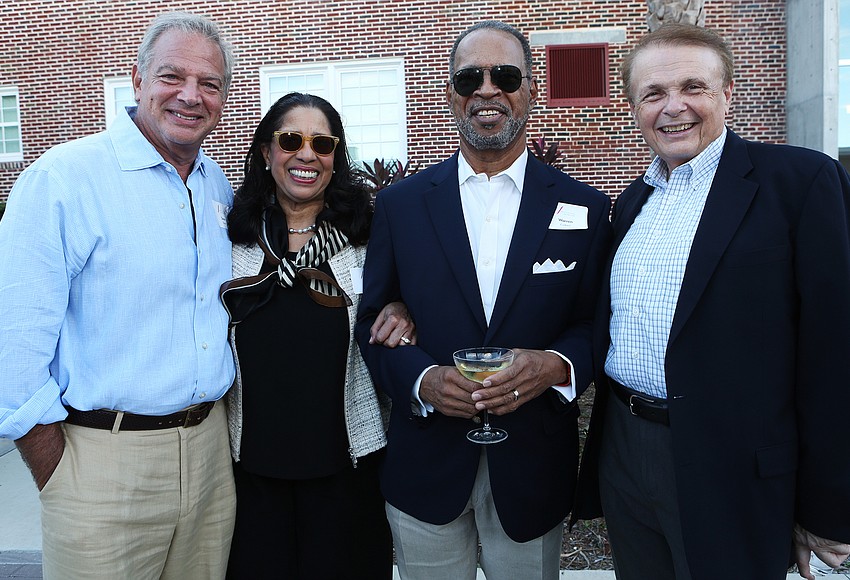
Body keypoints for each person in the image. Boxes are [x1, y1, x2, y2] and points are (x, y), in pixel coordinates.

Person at [572, 23, 850, 580]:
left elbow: (835, 353)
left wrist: (824, 508)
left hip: (735, 468)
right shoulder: (629, 204)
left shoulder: (799, 182)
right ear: (633, 107)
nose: (673, 107)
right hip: (626, 452)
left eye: (692, 87)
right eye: (653, 94)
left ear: (726, 94)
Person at [355, 20, 612, 580]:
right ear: (450, 91)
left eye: (505, 75)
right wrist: (421, 380)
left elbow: (594, 321)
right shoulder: (400, 206)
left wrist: (556, 366)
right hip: (425, 462)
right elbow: (373, 318)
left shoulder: (586, 208)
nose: (487, 89)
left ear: (530, 90)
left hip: (533, 465)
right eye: (470, 76)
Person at [0, 12, 237, 580]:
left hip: (210, 459)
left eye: (209, 83)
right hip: (98, 463)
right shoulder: (65, 179)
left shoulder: (216, 186)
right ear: (136, 80)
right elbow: (14, 346)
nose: (190, 95)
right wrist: (59, 472)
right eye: (171, 77)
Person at [220, 92, 414, 579]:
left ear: (335, 158)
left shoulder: (368, 243)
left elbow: (410, 301)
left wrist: (403, 309)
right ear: (266, 152)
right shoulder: (233, 243)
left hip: (347, 473)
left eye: (322, 144)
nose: (307, 154)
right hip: (250, 474)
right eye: (291, 140)